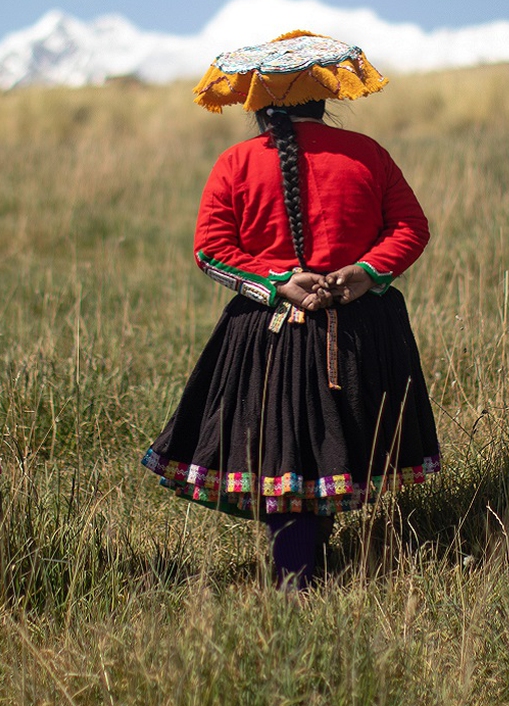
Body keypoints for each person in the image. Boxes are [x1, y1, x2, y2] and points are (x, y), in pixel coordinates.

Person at [143, 31, 440, 589]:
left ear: (256, 104)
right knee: (335, 447)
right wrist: (364, 274)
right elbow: (410, 228)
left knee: (285, 453)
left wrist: (279, 283)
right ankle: (305, 568)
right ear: (324, 95)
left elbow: (211, 251)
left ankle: (295, 575)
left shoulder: (235, 162)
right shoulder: (368, 153)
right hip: (360, 330)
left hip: (272, 332)